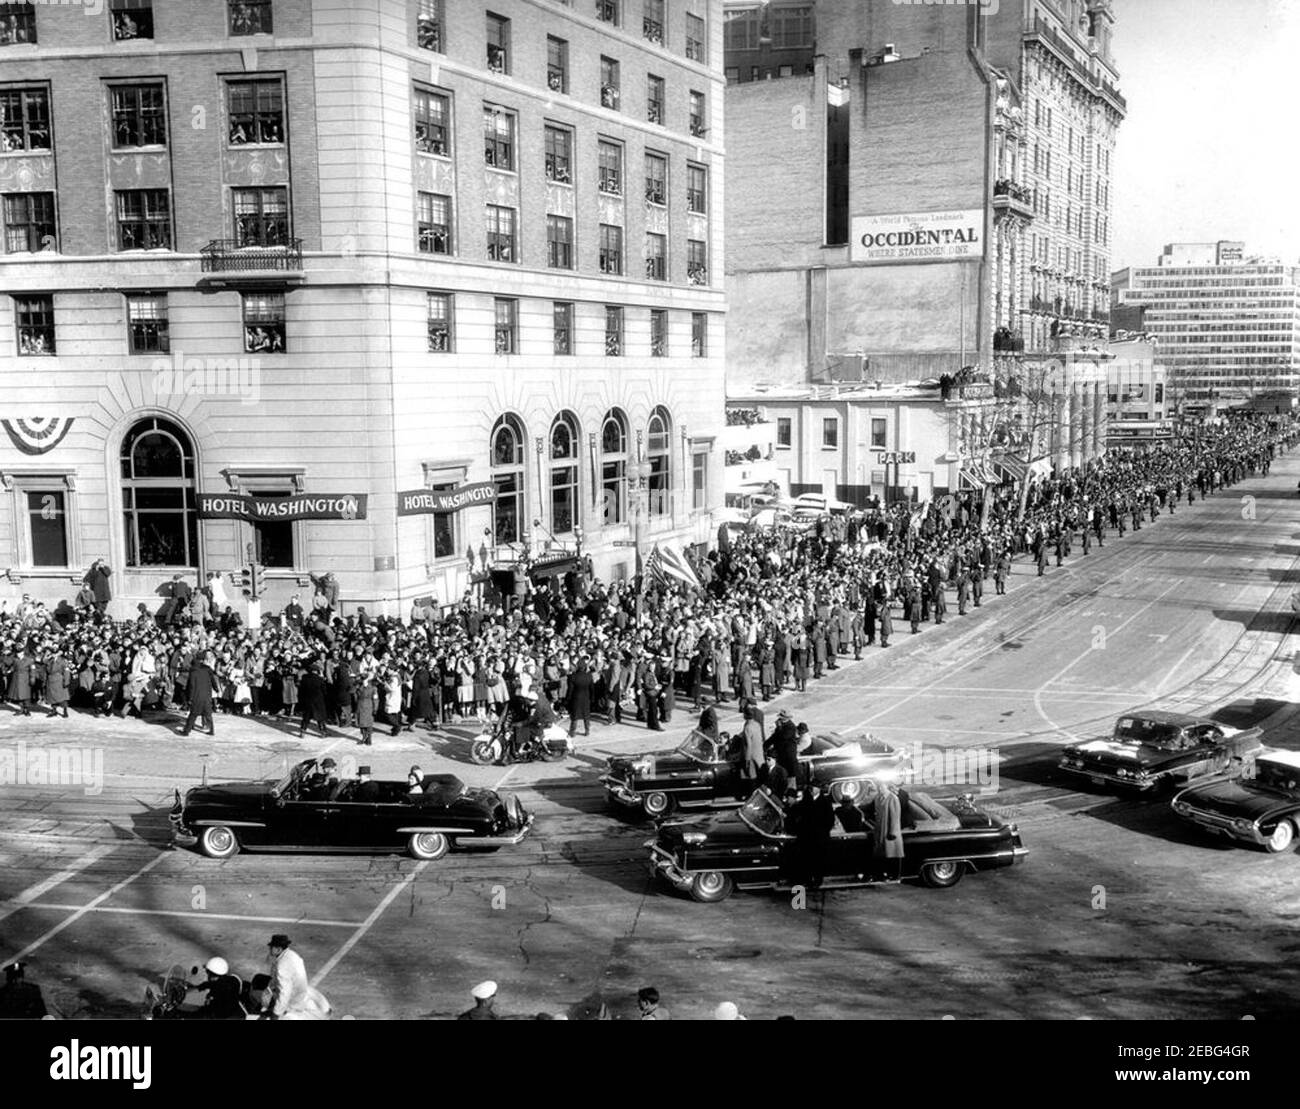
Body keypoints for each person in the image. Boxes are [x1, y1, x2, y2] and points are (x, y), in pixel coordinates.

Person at [262, 935, 329, 1020]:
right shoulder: (292, 955)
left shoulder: (282, 966)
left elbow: (284, 992)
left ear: (278, 949)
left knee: (259, 997)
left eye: (271, 947)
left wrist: (276, 1013)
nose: (270, 949)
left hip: (292, 1003)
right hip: (300, 994)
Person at [792, 780, 835, 889]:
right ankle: (808, 879)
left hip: (820, 837)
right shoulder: (805, 801)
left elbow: (830, 820)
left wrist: (822, 832)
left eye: (814, 787)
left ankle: (817, 879)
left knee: (818, 859)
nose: (812, 790)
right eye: (811, 787)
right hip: (807, 837)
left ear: (819, 789)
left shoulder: (825, 802)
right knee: (808, 858)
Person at [188, 956, 246, 1021]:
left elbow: (209, 1011)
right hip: (236, 1014)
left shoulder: (217, 992)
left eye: (207, 972)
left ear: (210, 973)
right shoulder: (233, 981)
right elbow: (213, 984)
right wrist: (202, 986)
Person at [873, 781, 905, 881]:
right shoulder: (878, 798)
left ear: (886, 787)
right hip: (880, 829)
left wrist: (893, 832)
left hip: (889, 831)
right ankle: (884, 874)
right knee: (883, 853)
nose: (879, 789)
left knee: (893, 853)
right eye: (878, 787)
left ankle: (895, 875)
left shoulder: (893, 798)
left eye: (881, 787)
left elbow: (895, 817)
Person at [179, 652, 216, 736]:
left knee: (193, 714)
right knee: (208, 714)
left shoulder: (193, 672)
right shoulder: (208, 669)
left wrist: (190, 697)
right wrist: (216, 688)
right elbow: (213, 680)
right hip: (207, 695)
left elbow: (191, 685)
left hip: (197, 695)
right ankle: (212, 730)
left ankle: (186, 731)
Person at [769, 710, 799, 779]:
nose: (778, 719)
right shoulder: (782, 726)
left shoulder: (791, 727)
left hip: (788, 757)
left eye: (781, 717)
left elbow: (782, 737)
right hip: (782, 756)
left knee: (789, 778)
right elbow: (774, 737)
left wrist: (778, 727)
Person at [740, 704, 765, 785]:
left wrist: (747, 759)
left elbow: (748, 745)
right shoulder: (757, 724)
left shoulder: (747, 727)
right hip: (759, 755)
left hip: (751, 757)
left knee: (752, 779)